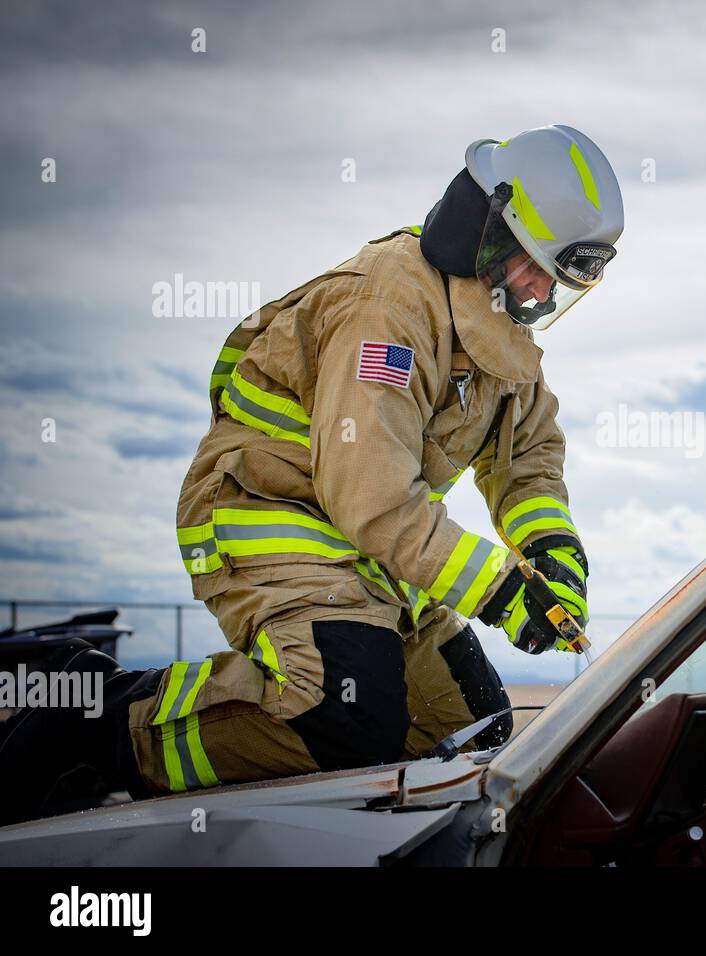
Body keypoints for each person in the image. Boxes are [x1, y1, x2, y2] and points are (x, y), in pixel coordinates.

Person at [0, 125, 623, 821]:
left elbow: (528, 457)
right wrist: (505, 592)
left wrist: (552, 554)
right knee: (343, 715)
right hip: (269, 511)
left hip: (366, 548)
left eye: (556, 281)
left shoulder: (500, 329)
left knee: (469, 725)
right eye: (535, 266)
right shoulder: (387, 312)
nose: (540, 293)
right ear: (487, 229)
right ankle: (99, 720)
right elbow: (374, 499)